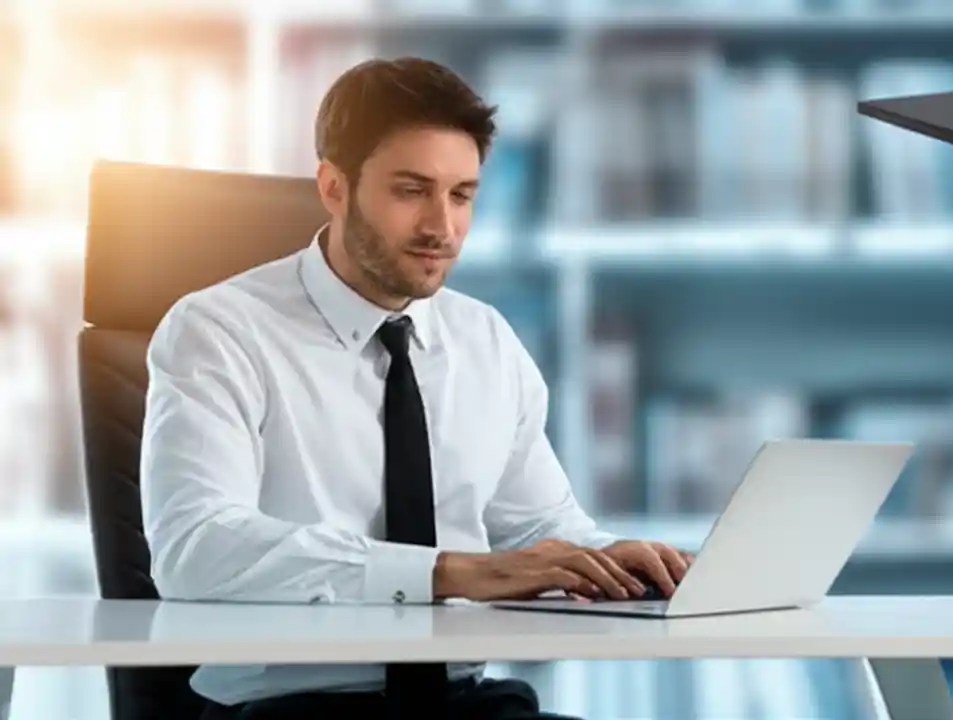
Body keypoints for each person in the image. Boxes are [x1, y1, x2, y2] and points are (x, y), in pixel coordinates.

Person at [140, 56, 691, 720]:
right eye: (411, 190)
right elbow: (195, 548)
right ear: (334, 187)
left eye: (462, 195)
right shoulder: (219, 331)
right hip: (292, 707)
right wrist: (448, 572)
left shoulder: (484, 339)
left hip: (465, 704)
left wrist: (609, 560)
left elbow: (540, 527)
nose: (443, 227)